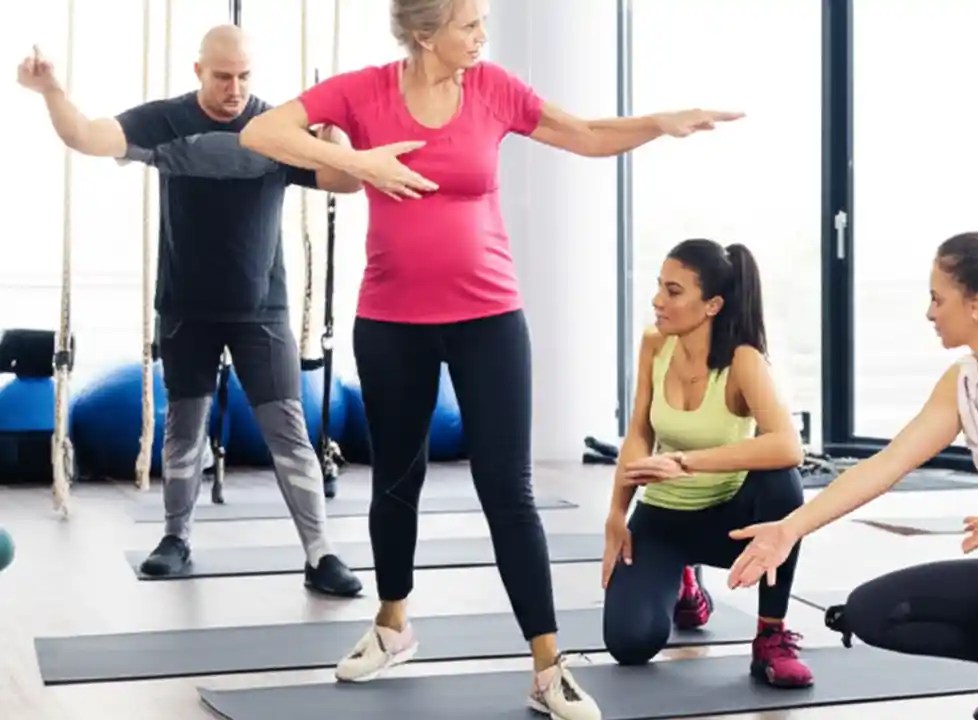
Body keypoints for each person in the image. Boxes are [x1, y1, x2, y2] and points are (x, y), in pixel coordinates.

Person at [237, 0, 741, 716]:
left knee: (508, 489)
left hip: (489, 319)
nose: (482, 36)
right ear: (424, 34)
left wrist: (657, 122)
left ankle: (547, 668)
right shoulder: (366, 92)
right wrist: (356, 161)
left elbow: (586, 134)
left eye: (481, 23)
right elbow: (261, 131)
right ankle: (392, 625)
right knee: (396, 480)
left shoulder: (493, 88)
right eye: (468, 25)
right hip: (391, 321)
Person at [728, 228, 978, 720]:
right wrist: (789, 529)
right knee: (871, 611)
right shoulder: (963, 382)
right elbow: (885, 466)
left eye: (937, 299)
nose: (929, 313)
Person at [15, 27, 365, 597]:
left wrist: (332, 135)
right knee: (183, 429)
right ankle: (175, 540)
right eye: (223, 76)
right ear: (198, 70)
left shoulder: (275, 128)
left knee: (289, 432)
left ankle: (320, 554)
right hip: (185, 308)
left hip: (261, 311)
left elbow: (346, 181)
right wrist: (51, 89)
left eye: (244, 77)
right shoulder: (166, 121)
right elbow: (86, 135)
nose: (235, 89)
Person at [600, 239, 811, 688]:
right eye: (659, 286)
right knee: (630, 642)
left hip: (727, 523)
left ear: (712, 304)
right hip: (662, 519)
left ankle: (770, 636)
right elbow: (639, 433)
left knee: (783, 484)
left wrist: (687, 462)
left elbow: (789, 446)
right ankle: (684, 582)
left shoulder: (742, 361)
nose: (657, 300)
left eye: (673, 291)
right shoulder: (655, 345)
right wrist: (617, 513)